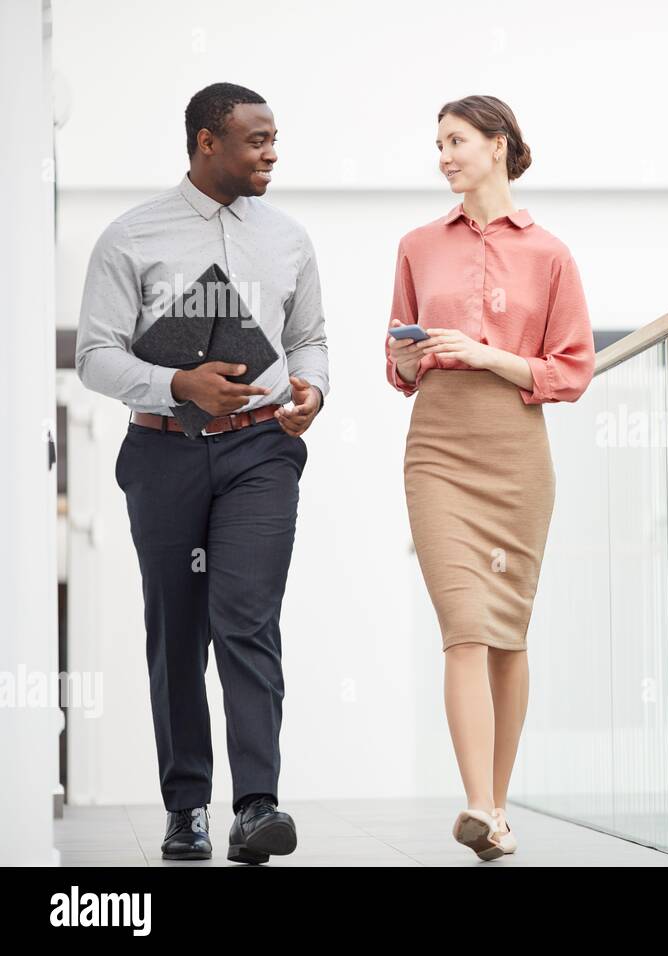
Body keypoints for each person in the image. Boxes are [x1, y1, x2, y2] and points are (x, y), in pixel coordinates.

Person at [75, 82, 329, 864]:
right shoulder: (130, 237)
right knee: (176, 630)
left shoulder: (288, 239)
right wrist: (179, 385)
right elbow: (95, 357)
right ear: (206, 143)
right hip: (164, 454)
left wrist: (312, 389)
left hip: (261, 452)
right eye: (256, 140)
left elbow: (310, 337)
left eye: (275, 138)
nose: (272, 153)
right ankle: (186, 807)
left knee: (246, 620)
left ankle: (256, 805)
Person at [385, 95, 595, 860]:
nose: (443, 155)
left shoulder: (551, 254)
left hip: (516, 453)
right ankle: (477, 802)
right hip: (438, 448)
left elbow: (572, 371)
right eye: (437, 143)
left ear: (500, 146)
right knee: (464, 627)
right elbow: (396, 365)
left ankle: (497, 811)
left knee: (507, 635)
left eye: (457, 140)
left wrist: (484, 353)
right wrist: (410, 357)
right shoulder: (416, 245)